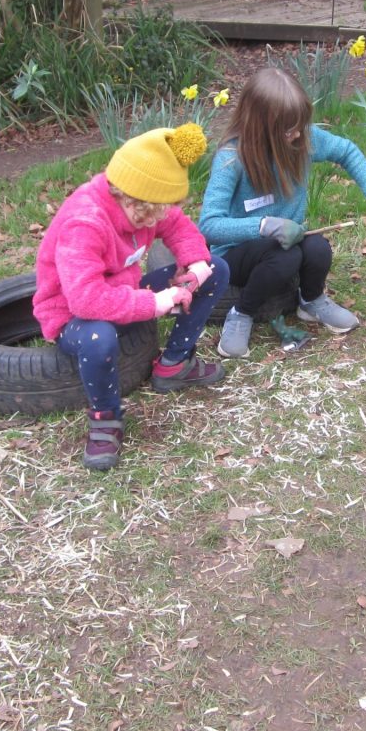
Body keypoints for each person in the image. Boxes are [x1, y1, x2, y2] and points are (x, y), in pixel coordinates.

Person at [33, 124, 230, 471]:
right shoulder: (86, 221)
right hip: (73, 316)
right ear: (126, 195)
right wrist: (154, 303)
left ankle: (174, 364)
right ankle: (105, 418)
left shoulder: (147, 204)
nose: (156, 220)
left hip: (126, 294)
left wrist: (195, 263)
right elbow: (85, 300)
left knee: (217, 269)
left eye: (162, 210)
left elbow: (178, 226)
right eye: (150, 212)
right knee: (99, 337)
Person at [198, 68, 366, 358]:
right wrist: (265, 225)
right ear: (260, 127)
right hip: (239, 252)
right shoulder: (232, 159)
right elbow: (209, 225)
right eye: (288, 129)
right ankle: (241, 312)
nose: (297, 135)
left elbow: (347, 151)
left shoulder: (300, 140)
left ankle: (311, 301)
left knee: (318, 248)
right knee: (286, 257)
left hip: (288, 240)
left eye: (300, 125)